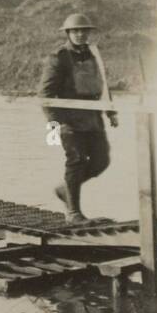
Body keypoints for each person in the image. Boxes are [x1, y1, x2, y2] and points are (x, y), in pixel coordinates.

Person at [40, 13, 117, 225]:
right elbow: (45, 95)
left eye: (85, 31)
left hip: (93, 118)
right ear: (68, 33)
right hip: (68, 121)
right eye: (76, 31)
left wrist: (111, 112)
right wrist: (56, 125)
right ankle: (73, 213)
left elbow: (103, 84)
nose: (81, 34)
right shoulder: (59, 57)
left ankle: (65, 189)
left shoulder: (94, 54)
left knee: (102, 161)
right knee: (76, 161)